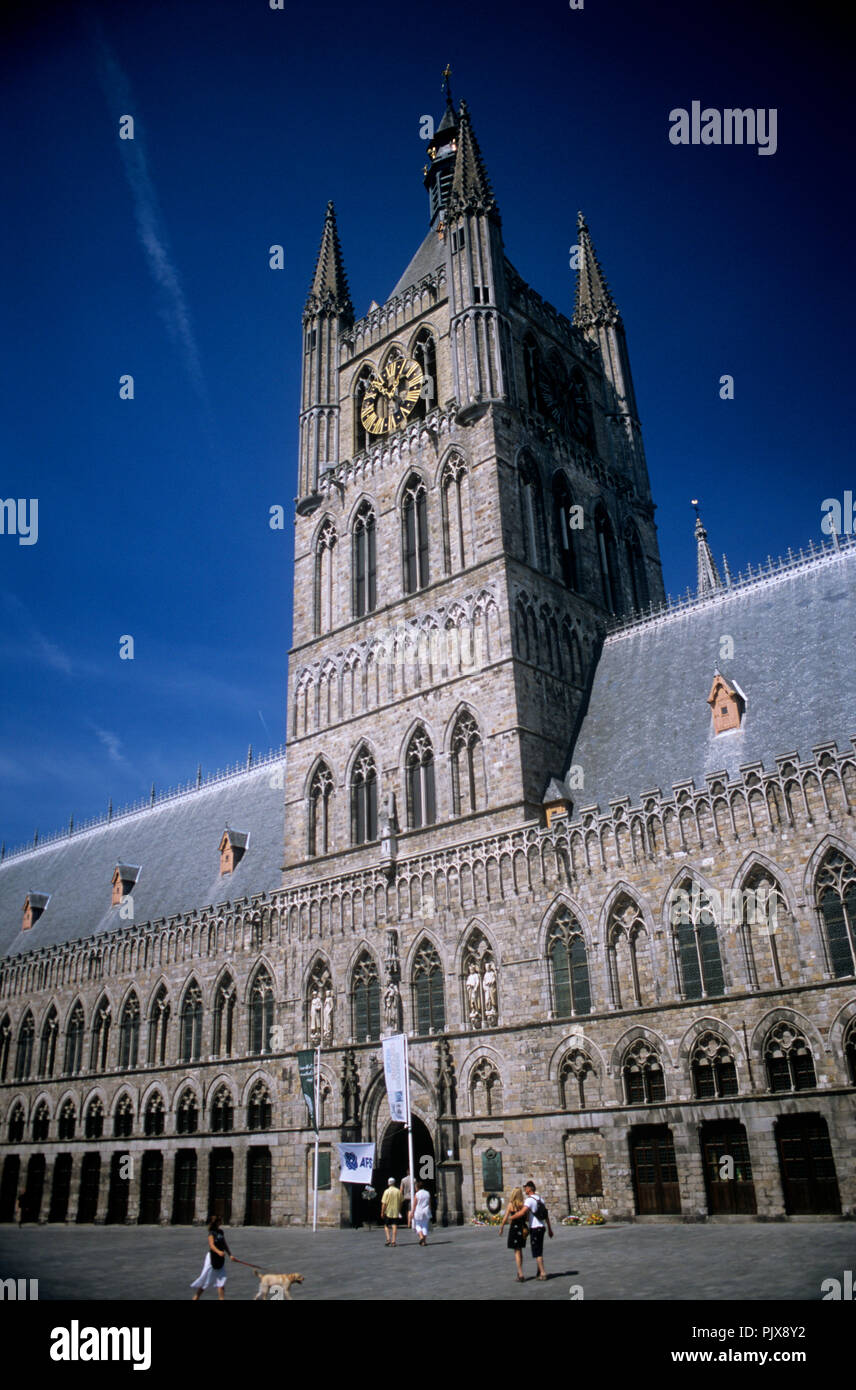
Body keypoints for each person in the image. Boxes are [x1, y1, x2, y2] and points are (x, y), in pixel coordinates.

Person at [190, 1215, 236, 1300]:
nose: (221, 1222)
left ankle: (221, 1298)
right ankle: (196, 1297)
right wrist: (218, 1252)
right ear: (217, 1222)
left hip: (220, 1258)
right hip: (212, 1258)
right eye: (220, 1221)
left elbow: (224, 1244)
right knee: (206, 1279)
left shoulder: (221, 1232)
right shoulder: (211, 1233)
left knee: (222, 1278)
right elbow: (211, 1245)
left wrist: (230, 1255)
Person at [523, 1180, 554, 1280]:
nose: (525, 1189)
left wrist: (513, 1217)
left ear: (530, 1188)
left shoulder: (529, 1200)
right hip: (542, 1227)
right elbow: (546, 1215)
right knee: (539, 1249)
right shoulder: (540, 1199)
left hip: (535, 1228)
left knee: (537, 1251)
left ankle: (543, 1273)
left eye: (526, 1187)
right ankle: (539, 1272)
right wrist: (549, 1228)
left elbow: (523, 1212)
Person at [499, 1186, 529, 1281]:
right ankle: (520, 1271)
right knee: (520, 1250)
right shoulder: (523, 1205)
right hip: (522, 1228)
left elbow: (505, 1217)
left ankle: (520, 1273)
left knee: (516, 1251)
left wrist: (501, 1227)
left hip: (514, 1229)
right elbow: (527, 1218)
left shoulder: (511, 1205)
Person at [381, 1176, 402, 1246]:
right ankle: (393, 1240)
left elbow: (384, 1203)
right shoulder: (398, 1191)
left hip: (388, 1211)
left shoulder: (386, 1191)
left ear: (388, 1183)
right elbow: (401, 1201)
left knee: (386, 1225)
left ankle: (388, 1239)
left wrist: (382, 1212)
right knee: (394, 1225)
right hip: (396, 1211)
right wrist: (399, 1209)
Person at [410, 1179, 431, 1245]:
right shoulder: (427, 1193)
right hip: (426, 1211)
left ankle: (421, 1237)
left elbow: (414, 1204)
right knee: (425, 1226)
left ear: (418, 1187)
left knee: (418, 1225)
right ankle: (424, 1241)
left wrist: (412, 1212)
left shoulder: (417, 1194)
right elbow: (429, 1203)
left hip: (418, 1211)